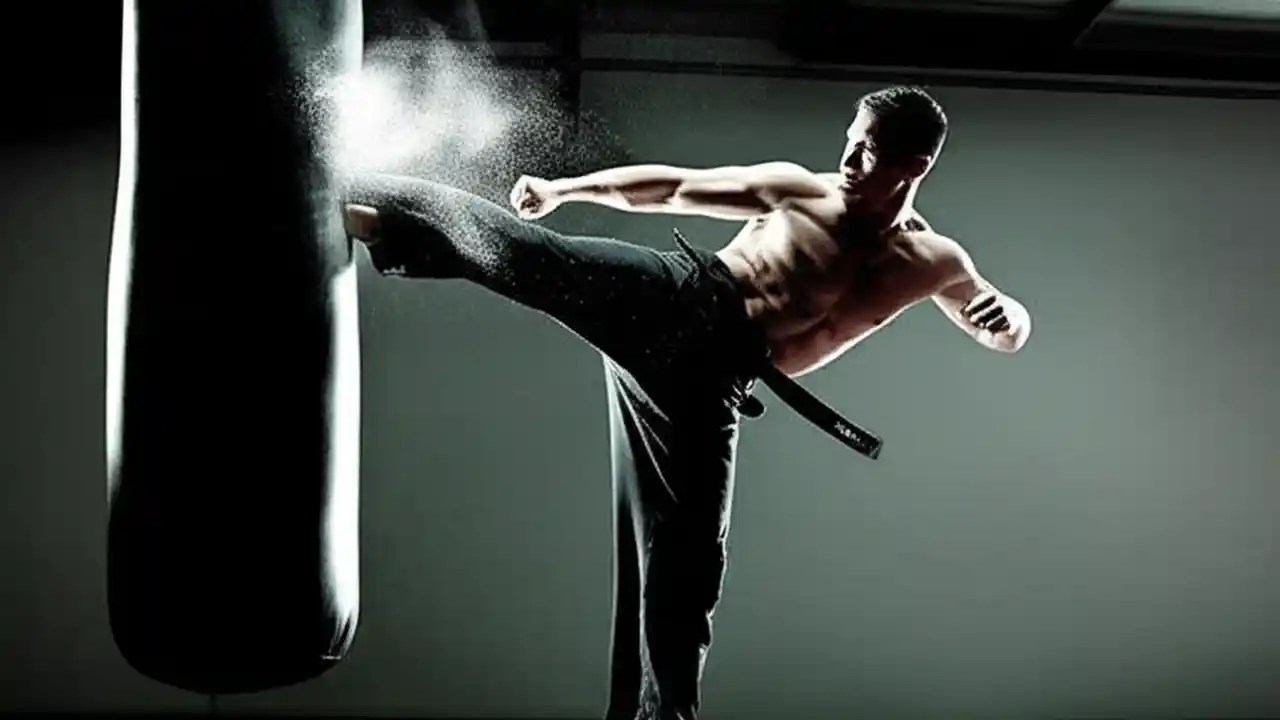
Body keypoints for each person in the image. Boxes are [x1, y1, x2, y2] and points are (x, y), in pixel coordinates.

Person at [340, 85, 1031, 720]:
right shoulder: (802, 193)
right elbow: (674, 189)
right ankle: (369, 199)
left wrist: (1008, 322)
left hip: (710, 384)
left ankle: (659, 718)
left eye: (869, 150)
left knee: (690, 564)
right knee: (536, 259)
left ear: (912, 166)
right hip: (677, 299)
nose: (849, 157)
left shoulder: (934, 261)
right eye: (850, 138)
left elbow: (995, 323)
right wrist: (564, 188)